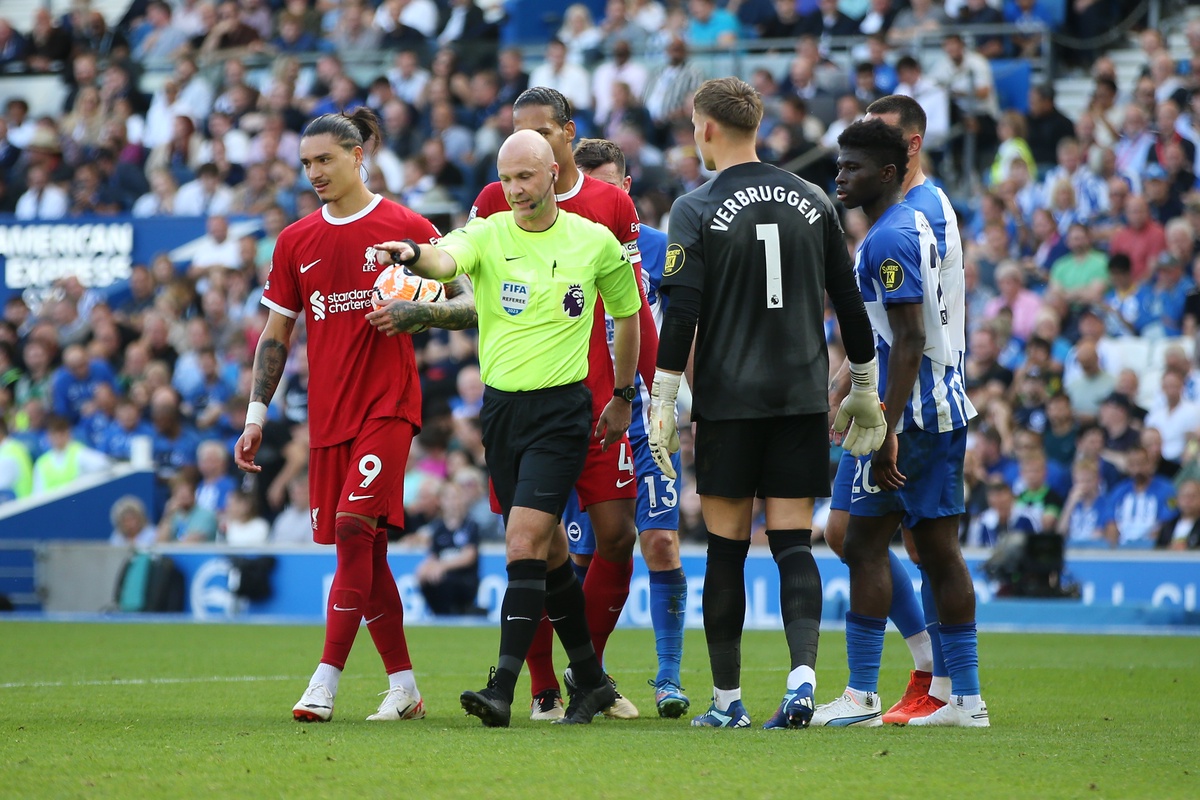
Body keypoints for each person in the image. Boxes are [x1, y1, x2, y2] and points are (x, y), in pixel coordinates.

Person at [371, 127, 643, 727]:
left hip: (562, 412)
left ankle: (502, 688)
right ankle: (592, 682)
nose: (515, 189)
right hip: (502, 413)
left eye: (526, 176)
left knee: (521, 541)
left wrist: (623, 393)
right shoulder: (488, 233)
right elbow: (446, 258)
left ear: (553, 173)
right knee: (547, 552)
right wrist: (413, 254)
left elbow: (628, 317)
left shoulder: (594, 241)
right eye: (507, 178)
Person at [647, 78, 885, 730]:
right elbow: (848, 298)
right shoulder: (813, 199)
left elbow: (683, 309)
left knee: (725, 551)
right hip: (801, 400)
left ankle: (727, 704)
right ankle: (804, 679)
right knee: (791, 545)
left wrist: (665, 393)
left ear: (708, 129)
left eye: (694, 127)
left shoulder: (694, 207)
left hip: (729, 401)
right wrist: (864, 383)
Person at [446, 87, 659, 722]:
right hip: (514, 403)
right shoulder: (493, 208)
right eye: (513, 148)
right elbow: (473, 291)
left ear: (564, 138)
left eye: (538, 137)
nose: (517, 173)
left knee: (612, 535)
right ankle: (557, 684)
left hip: (588, 402)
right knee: (542, 546)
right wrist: (429, 307)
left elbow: (632, 308)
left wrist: (644, 393)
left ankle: (540, 679)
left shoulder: (608, 212)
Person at [235, 108, 450, 725]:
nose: (315, 173)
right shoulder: (296, 239)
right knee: (367, 551)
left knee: (356, 526)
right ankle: (404, 686)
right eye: (306, 164)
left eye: (325, 159)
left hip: (388, 402)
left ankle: (324, 680)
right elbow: (276, 333)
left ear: (358, 155)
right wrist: (256, 414)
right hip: (329, 416)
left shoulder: (404, 225)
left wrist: (420, 309)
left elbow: (462, 293)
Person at [812, 118, 988, 728]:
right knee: (929, 551)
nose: (840, 176)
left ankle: (865, 695)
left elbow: (910, 339)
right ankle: (961, 698)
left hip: (913, 419)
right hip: (927, 410)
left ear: (887, 172)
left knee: (871, 544)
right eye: (839, 165)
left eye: (852, 167)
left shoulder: (890, 240)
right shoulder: (909, 220)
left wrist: (885, 427)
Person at [569, 137, 690, 718]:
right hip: (586, 418)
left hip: (648, 418)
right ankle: (587, 673)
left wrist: (688, 401)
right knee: (589, 557)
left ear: (627, 187)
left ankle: (668, 678)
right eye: (593, 186)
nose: (604, 196)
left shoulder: (661, 248)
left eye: (612, 185)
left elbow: (689, 323)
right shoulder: (565, 246)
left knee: (661, 542)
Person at [415, 480, 482, 615]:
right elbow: (433, 555)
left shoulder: (470, 524)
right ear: (441, 502)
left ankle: (457, 611)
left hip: (464, 579)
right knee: (424, 576)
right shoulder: (438, 528)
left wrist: (442, 566)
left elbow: (469, 556)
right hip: (443, 576)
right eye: (448, 498)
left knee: (444, 580)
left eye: (455, 497)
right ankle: (438, 614)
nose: (452, 502)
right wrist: (425, 568)